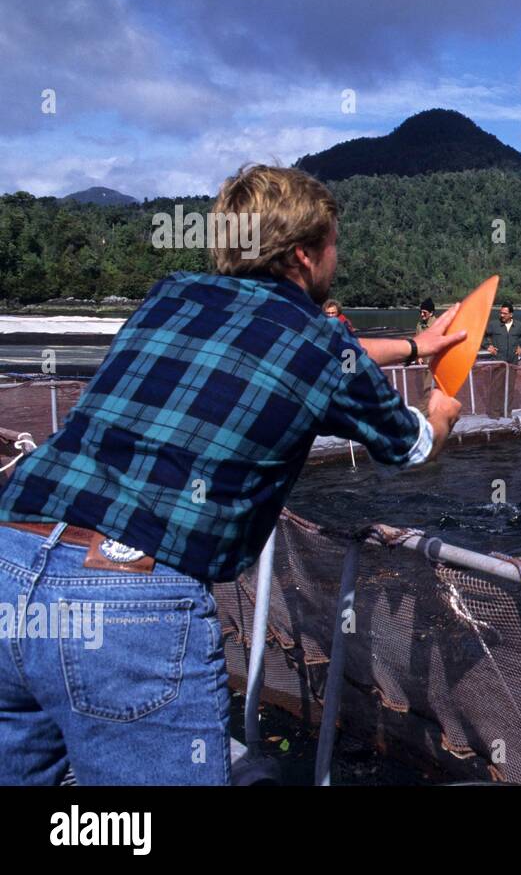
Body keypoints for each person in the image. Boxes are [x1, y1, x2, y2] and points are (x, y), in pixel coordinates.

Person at [0, 164, 465, 785]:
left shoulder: (173, 295)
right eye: (332, 244)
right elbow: (409, 447)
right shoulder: (322, 346)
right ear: (305, 254)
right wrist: (440, 411)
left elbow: (280, 343)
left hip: (13, 554)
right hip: (126, 598)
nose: (336, 256)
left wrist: (414, 347)